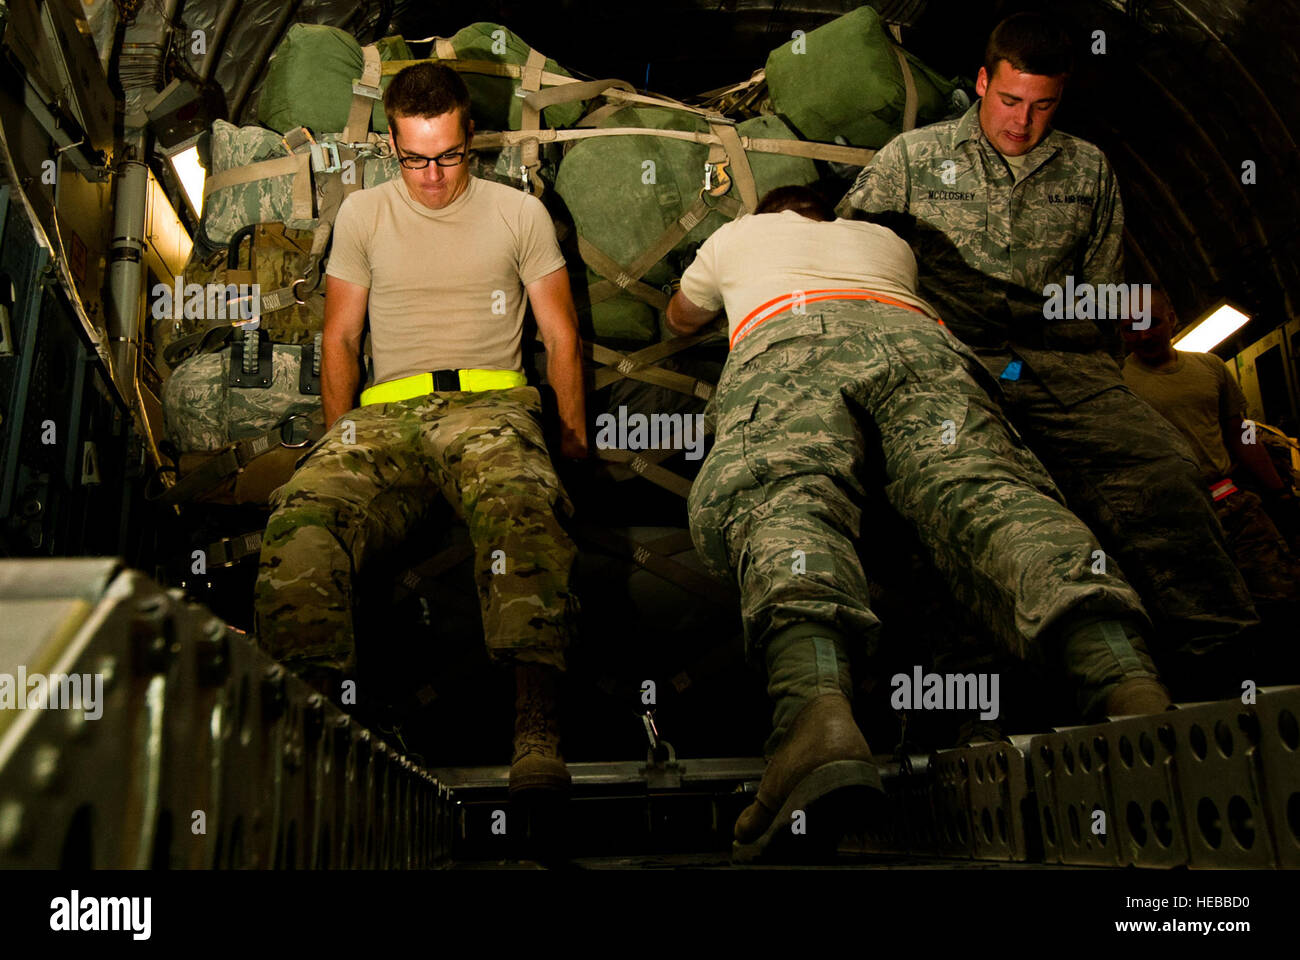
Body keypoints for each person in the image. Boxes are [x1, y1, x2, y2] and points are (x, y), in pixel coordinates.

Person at [667, 184, 1171, 862]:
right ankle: (1124, 682)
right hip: (921, 342)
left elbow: (678, 318)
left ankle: (816, 721)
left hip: (790, 335)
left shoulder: (736, 237)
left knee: (785, 501)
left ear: (769, 215)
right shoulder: (888, 244)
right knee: (991, 495)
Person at [836, 12, 1259, 690]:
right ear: (981, 82)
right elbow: (853, 262)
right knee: (946, 492)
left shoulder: (1089, 170)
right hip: (949, 358)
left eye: (1041, 105)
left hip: (1059, 364)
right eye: (1009, 100)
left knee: (1166, 470)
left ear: (1060, 98)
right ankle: (977, 690)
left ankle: (1218, 664)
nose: (1021, 122)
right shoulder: (911, 161)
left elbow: (1096, 293)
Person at [253, 63, 587, 799]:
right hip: (385, 416)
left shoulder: (518, 213)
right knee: (301, 516)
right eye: (414, 159)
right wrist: (338, 439)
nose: (432, 176)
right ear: (391, 146)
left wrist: (571, 438)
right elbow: (338, 341)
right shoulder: (365, 215)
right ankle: (315, 733)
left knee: (521, 503)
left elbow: (561, 337)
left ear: (473, 138)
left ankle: (535, 726)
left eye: (448, 156)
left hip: (492, 408)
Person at [1122, 290, 1300, 607]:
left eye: (1151, 322)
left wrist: (1279, 491)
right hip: (1175, 520)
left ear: (1172, 318)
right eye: (1130, 328)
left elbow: (1240, 433)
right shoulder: (1117, 384)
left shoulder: (1210, 367)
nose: (1143, 335)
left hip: (1233, 505)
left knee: (1282, 595)